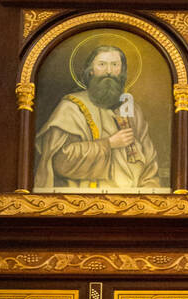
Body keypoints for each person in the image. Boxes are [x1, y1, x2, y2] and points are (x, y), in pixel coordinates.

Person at [34, 44, 160, 191]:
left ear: (122, 71)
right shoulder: (72, 107)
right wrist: (108, 144)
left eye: (115, 65)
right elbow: (61, 163)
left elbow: (149, 162)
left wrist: (149, 193)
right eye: (102, 64)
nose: (109, 71)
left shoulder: (133, 111)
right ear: (91, 71)